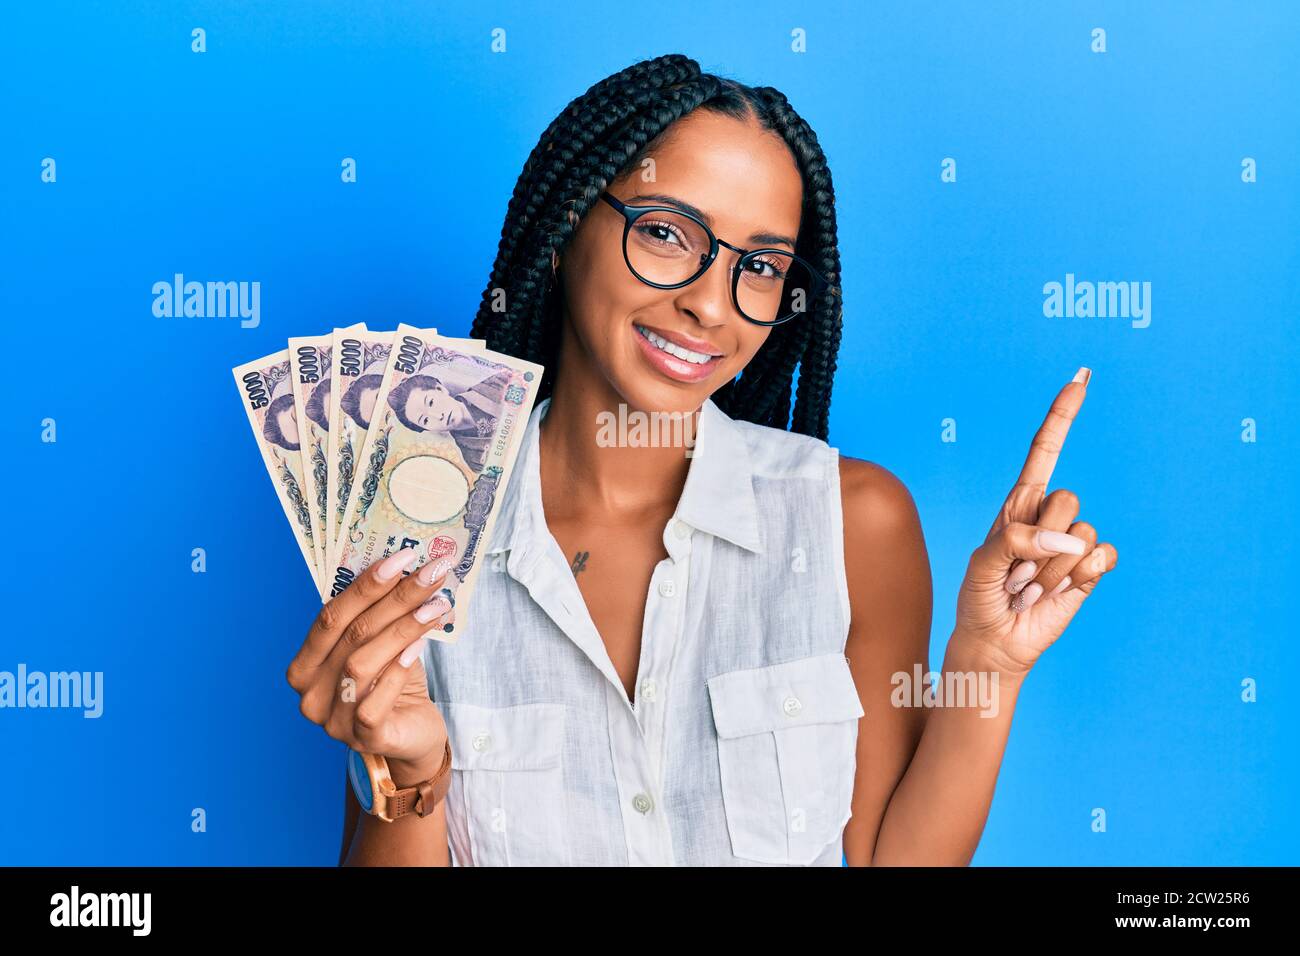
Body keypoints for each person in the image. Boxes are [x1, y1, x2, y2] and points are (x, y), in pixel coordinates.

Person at [285, 53, 1117, 866]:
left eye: (758, 266)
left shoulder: (853, 523)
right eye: (665, 233)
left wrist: (988, 665)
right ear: (568, 223)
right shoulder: (414, 533)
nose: (710, 305)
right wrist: (410, 777)